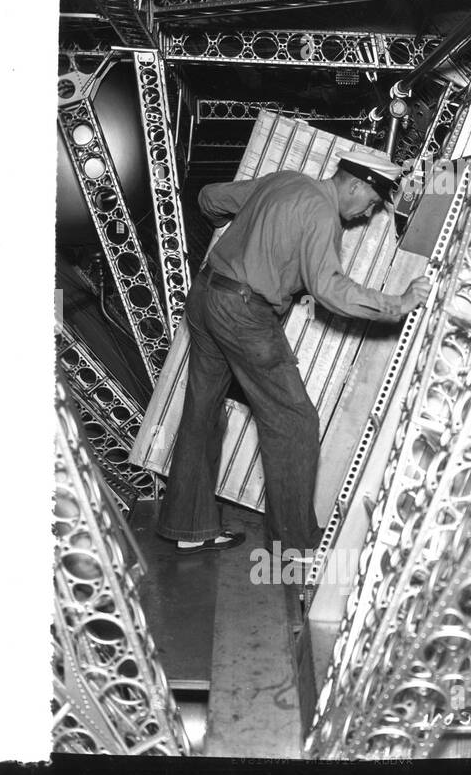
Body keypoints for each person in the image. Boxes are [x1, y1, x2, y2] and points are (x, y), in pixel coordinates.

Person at [157, 151, 431, 558]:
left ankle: (188, 525)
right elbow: (331, 290)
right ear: (355, 185)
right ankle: (295, 546)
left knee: (202, 409)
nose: (363, 215)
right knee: (294, 420)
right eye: (370, 205)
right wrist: (399, 303)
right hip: (245, 313)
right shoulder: (322, 214)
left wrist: (237, 234)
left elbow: (210, 198)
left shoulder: (284, 180)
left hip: (206, 295)